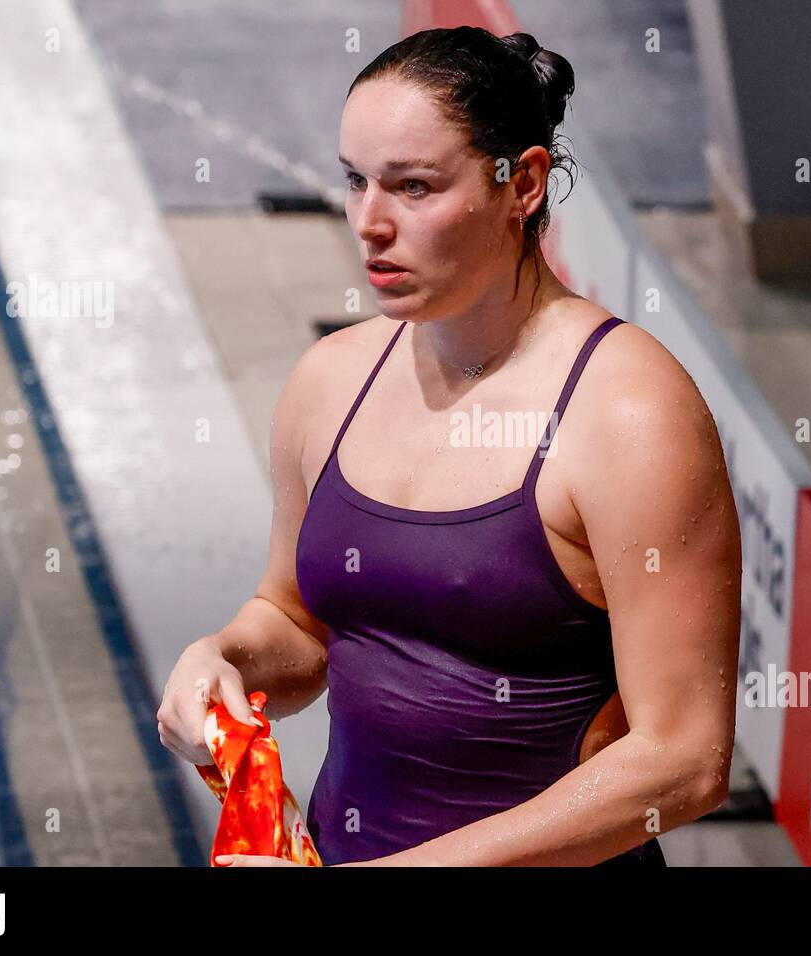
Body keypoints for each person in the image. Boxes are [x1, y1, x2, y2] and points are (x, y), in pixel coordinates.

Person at [157, 26, 741, 867]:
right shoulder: (332, 382)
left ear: (523, 184)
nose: (370, 223)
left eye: (414, 187)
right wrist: (220, 658)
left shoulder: (627, 415)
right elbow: (299, 624)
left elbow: (685, 764)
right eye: (355, 181)